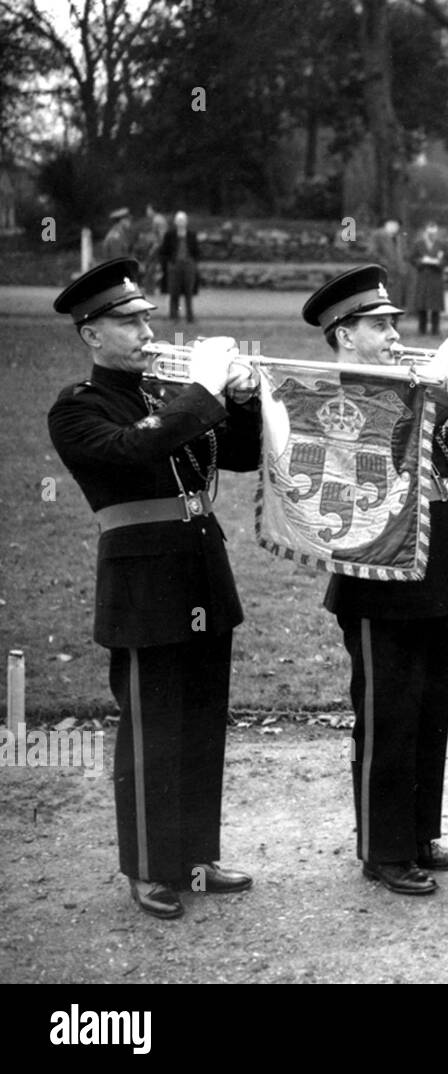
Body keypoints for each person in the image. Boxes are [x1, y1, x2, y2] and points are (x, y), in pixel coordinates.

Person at [46, 258, 260, 919]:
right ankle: (146, 865)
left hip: (200, 569)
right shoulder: (78, 407)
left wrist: (244, 397)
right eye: (129, 321)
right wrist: (202, 390)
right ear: (92, 334)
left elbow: (242, 456)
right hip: (144, 584)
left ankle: (195, 859)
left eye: (147, 319)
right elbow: (133, 452)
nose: (146, 331)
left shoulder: (168, 396)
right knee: (151, 728)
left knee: (200, 724)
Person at [302, 265, 448, 895]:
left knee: (428, 709)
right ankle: (383, 850)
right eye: (378, 326)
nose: (393, 335)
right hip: (377, 577)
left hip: (436, 564)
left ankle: (418, 834)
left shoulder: (413, 385)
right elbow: (376, 458)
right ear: (343, 335)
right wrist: (436, 387)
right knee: (387, 714)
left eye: (394, 324)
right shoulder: (335, 395)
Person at [408, 220, 448, 336]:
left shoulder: (442, 244)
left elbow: (447, 259)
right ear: (426, 231)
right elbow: (412, 258)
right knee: (422, 304)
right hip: (423, 276)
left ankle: (435, 330)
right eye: (429, 230)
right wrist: (422, 261)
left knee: (436, 305)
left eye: (434, 230)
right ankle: (422, 329)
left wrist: (439, 263)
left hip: (436, 276)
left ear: (437, 231)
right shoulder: (419, 243)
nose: (432, 233)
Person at [158, 211, 200, 323]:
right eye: (179, 221)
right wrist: (169, 263)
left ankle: (190, 316)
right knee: (174, 292)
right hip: (174, 265)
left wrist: (193, 263)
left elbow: (197, 251)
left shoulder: (191, 235)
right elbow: (163, 251)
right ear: (176, 222)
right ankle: (174, 316)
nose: (181, 223)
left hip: (188, 265)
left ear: (186, 222)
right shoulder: (170, 235)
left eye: (183, 221)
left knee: (189, 292)